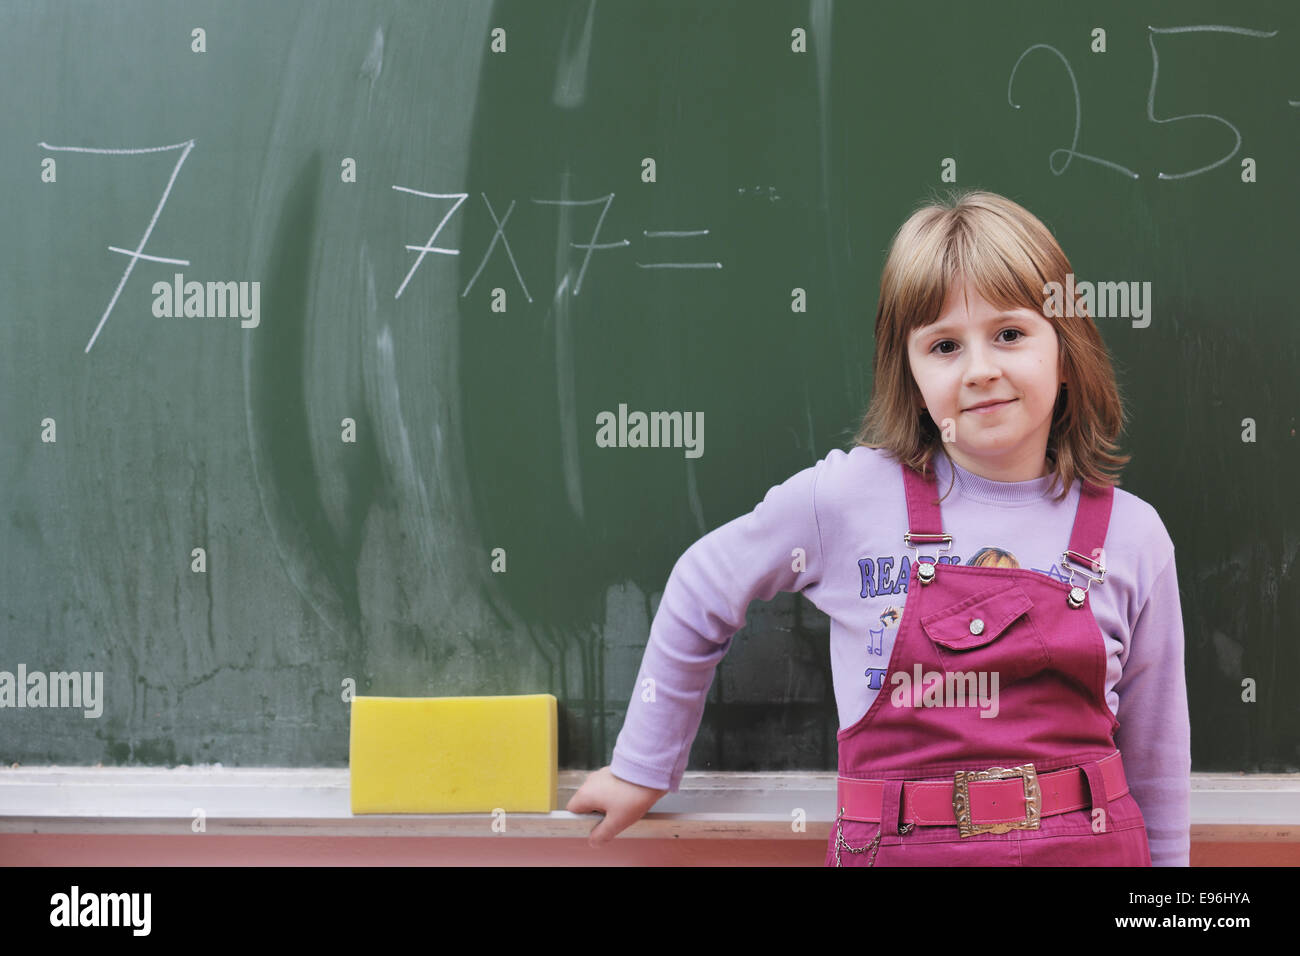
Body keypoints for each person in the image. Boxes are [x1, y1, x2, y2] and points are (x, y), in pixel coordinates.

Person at [566, 189, 1191, 866]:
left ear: (1066, 353)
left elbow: (1157, 761)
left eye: (1010, 334)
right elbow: (700, 586)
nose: (981, 369)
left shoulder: (1134, 536)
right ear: (911, 373)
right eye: (945, 345)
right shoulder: (850, 499)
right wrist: (643, 767)